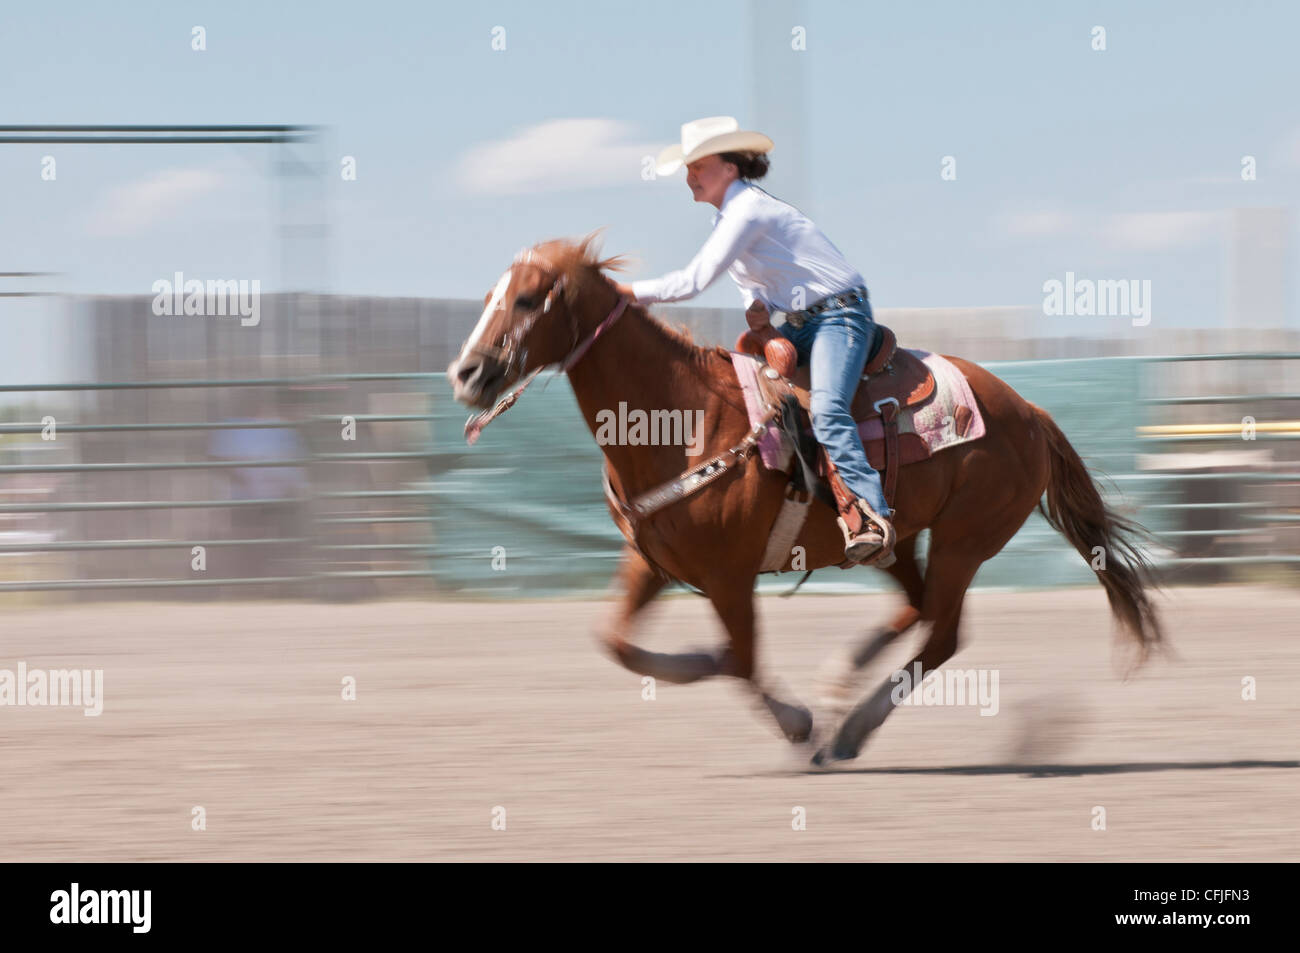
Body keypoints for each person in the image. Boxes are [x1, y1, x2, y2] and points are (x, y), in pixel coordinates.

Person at [615, 116, 896, 565]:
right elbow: (753, 287)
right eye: (688, 168)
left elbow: (692, 282)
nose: (690, 175)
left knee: (826, 408)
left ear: (730, 168)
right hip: (804, 323)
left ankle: (872, 515)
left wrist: (625, 292)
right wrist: (759, 315)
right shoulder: (732, 218)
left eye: (699, 166)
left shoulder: (746, 210)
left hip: (841, 316)